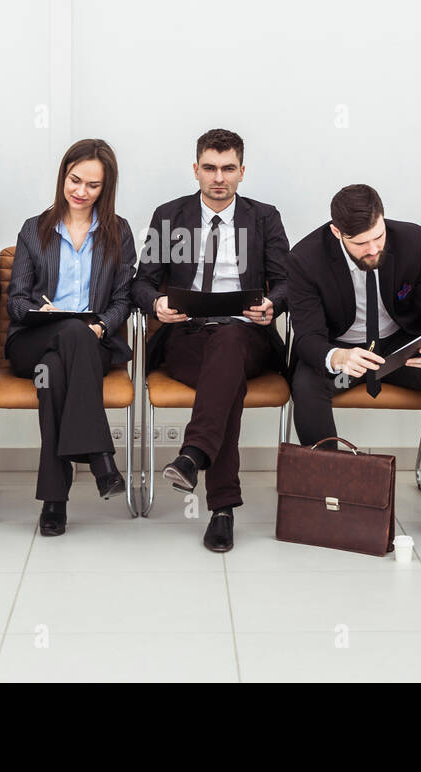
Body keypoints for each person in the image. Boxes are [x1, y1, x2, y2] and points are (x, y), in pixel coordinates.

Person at [287, 184, 421, 548]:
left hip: (398, 345)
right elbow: (308, 336)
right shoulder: (305, 258)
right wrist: (337, 357)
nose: (373, 249)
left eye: (378, 236)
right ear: (337, 232)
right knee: (307, 384)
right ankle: (335, 504)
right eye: (361, 243)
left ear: (383, 219)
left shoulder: (413, 240)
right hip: (341, 349)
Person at [132, 128, 289, 552]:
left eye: (228, 169)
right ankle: (221, 508)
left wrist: (272, 303)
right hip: (186, 337)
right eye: (210, 168)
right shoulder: (169, 216)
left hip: (247, 334)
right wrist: (158, 304)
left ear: (242, 172)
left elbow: (289, 281)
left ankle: (195, 457)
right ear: (196, 169)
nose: (218, 178)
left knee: (231, 344)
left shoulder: (264, 217)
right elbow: (140, 284)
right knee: (226, 375)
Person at [4, 139, 137, 535]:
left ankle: (54, 501)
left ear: (105, 188)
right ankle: (99, 458)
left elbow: (123, 299)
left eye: (92, 186)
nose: (81, 192)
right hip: (33, 338)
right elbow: (15, 301)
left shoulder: (119, 232)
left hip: (89, 344)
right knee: (64, 340)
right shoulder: (35, 229)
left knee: (55, 372)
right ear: (64, 175)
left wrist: (101, 327)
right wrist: (38, 312)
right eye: (74, 180)